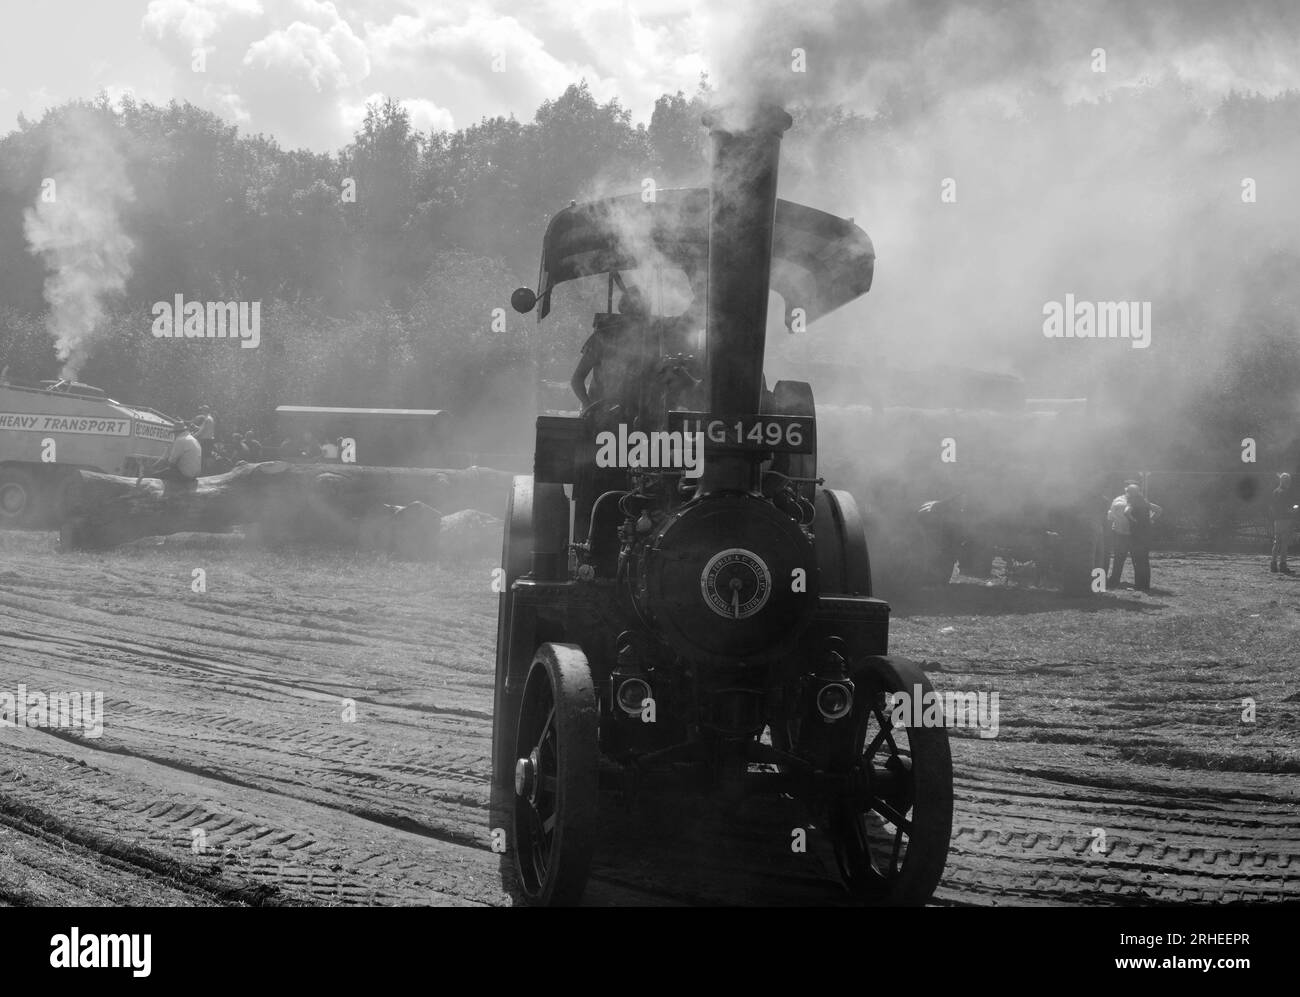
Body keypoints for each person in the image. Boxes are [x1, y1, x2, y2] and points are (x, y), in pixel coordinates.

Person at [1108, 482, 1162, 591]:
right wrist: (1150, 520)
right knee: (1140, 560)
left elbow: (1117, 514)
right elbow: (1159, 510)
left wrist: (1133, 521)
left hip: (1125, 533)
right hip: (1137, 534)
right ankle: (1142, 585)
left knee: (1119, 558)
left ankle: (1114, 581)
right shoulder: (1141, 501)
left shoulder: (1125, 501)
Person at [1268, 472, 1299, 574]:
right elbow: (1286, 508)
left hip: (1277, 520)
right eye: (1288, 481)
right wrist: (1293, 510)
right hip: (1285, 520)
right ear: (1286, 481)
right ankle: (1282, 565)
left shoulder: (1275, 492)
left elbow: (1272, 507)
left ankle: (1273, 565)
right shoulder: (1285, 493)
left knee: (1277, 543)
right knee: (1284, 544)